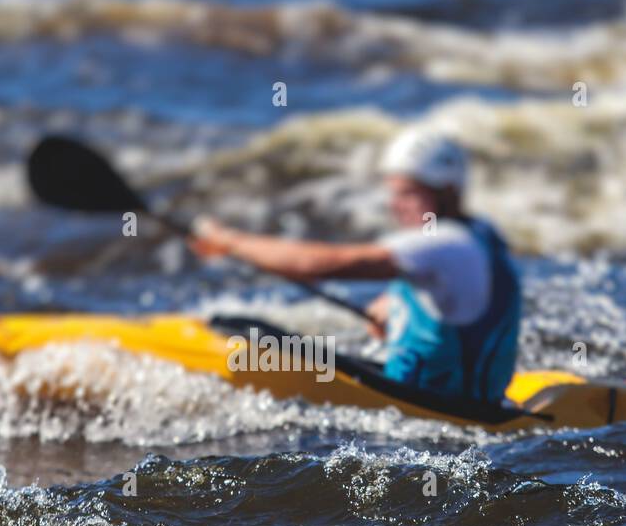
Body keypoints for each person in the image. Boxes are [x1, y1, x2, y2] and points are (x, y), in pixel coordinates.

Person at [190, 128, 522, 403]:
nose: (396, 206)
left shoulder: (443, 243)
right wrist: (398, 306)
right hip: (459, 401)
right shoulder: (478, 237)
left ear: (447, 192)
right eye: (393, 193)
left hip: (435, 412)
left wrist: (229, 241)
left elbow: (317, 265)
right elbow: (459, 298)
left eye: (408, 194)